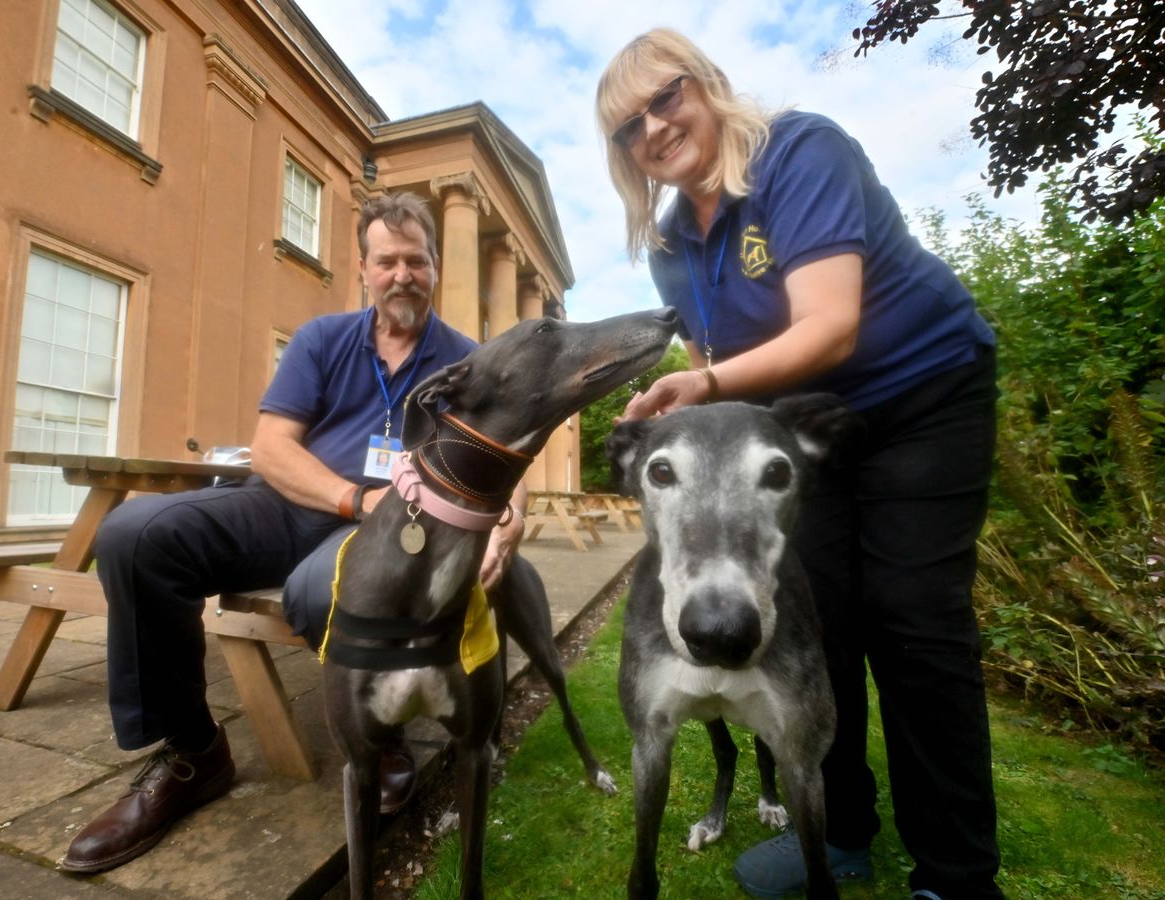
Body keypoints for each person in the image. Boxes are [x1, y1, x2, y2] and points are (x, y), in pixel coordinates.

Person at [596, 29, 1002, 900]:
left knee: (913, 619)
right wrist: (678, 413)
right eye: (630, 126)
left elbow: (828, 326)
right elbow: (725, 383)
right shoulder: (673, 249)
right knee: (817, 626)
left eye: (665, 97)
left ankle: (958, 875)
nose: (655, 129)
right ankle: (844, 828)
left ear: (706, 84)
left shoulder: (799, 153)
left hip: (920, 396)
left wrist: (698, 379)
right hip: (801, 439)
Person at [61, 191, 527, 875]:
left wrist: (508, 521)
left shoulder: (469, 361)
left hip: (399, 529)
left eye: (416, 261)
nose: (403, 274)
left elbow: (503, 467)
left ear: (434, 267)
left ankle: (381, 733)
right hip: (293, 501)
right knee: (133, 534)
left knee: (324, 591)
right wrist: (351, 498)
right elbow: (272, 447)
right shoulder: (321, 340)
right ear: (363, 268)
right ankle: (193, 754)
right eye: (387, 261)